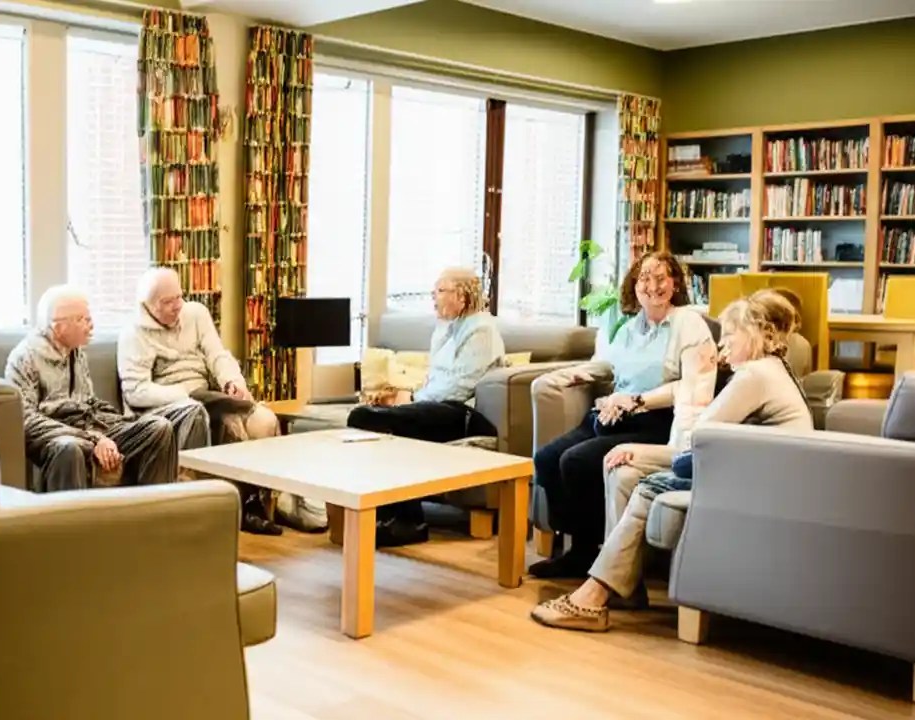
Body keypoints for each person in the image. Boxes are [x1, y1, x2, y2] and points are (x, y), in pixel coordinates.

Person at [530, 290, 814, 632]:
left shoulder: (753, 377)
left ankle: (592, 597)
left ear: (754, 332)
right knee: (624, 470)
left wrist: (647, 453)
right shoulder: (773, 370)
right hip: (756, 473)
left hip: (757, 482)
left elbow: (699, 443)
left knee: (650, 485)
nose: (721, 350)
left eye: (729, 338)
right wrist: (639, 451)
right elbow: (708, 447)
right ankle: (626, 589)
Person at [529, 251, 716, 580]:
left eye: (661, 278)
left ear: (675, 284)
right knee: (546, 458)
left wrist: (636, 400)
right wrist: (579, 376)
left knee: (576, 461)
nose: (652, 285)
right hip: (614, 413)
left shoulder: (688, 323)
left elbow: (689, 385)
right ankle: (576, 544)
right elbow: (611, 367)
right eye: (645, 277)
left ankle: (587, 553)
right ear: (634, 284)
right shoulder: (631, 327)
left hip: (656, 420)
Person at [118, 267, 327, 535]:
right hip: (167, 405)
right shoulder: (134, 334)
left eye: (179, 298)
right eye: (167, 302)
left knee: (264, 420)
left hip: (205, 394)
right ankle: (234, 509)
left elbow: (218, 356)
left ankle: (260, 503)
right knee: (216, 420)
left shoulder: (195, 314)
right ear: (146, 305)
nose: (176, 307)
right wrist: (182, 394)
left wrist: (232, 382)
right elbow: (136, 391)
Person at [346, 267, 506, 547]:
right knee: (367, 418)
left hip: (462, 413)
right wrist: (408, 395)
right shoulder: (444, 329)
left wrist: (413, 399)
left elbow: (461, 386)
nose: (434, 297)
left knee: (370, 418)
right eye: (434, 291)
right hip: (437, 406)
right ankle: (390, 517)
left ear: (463, 297)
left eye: (441, 291)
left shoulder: (483, 329)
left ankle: (409, 521)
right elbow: (437, 379)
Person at [4, 285, 182, 492]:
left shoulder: (76, 352)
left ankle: (154, 513)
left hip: (89, 429)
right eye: (83, 320)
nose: (91, 325)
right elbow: (26, 420)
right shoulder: (24, 358)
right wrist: (92, 438)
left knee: (158, 428)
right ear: (58, 327)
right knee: (70, 448)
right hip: (56, 437)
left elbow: (88, 402)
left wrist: (119, 424)